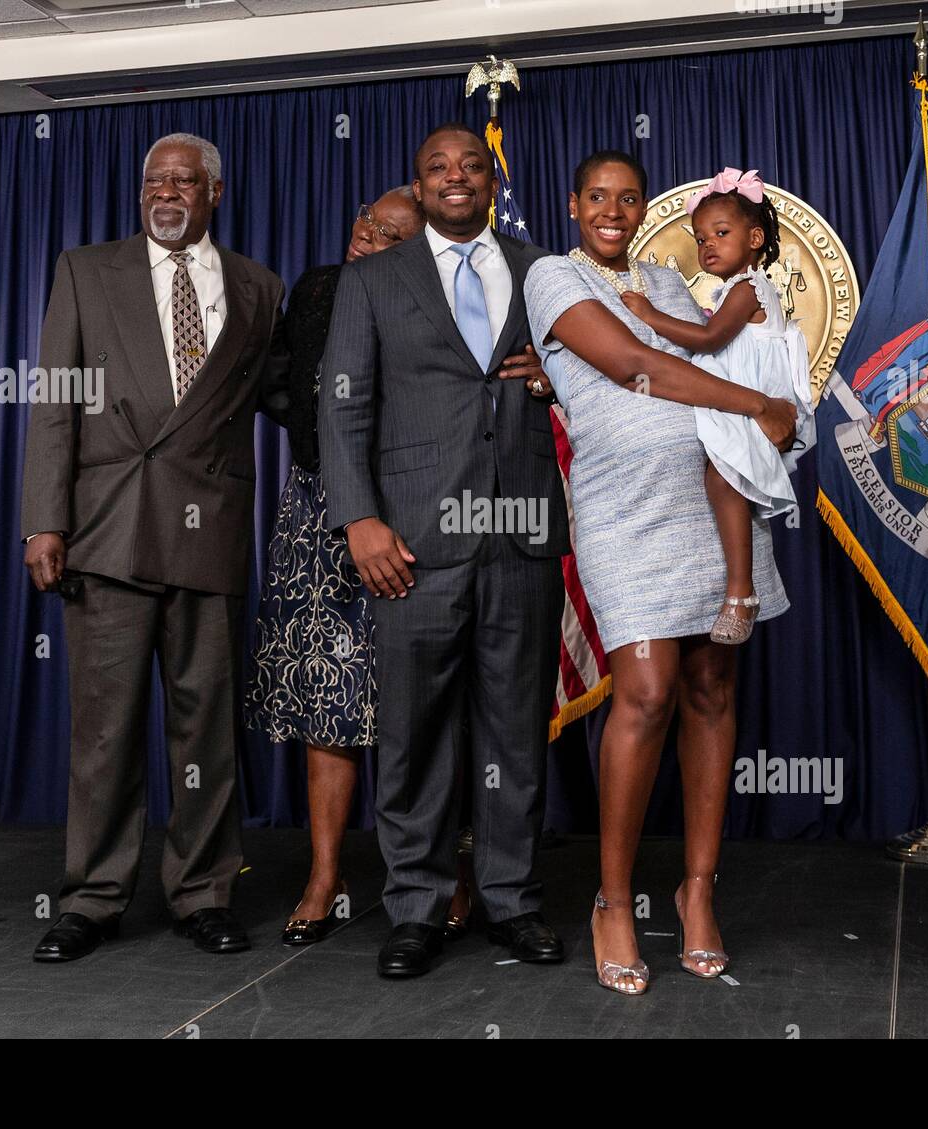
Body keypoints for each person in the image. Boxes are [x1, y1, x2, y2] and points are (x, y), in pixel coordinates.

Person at [524, 150, 797, 995]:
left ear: (645, 207)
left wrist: (748, 398)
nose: (613, 209)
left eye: (628, 197)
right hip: (623, 513)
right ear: (574, 205)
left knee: (712, 685)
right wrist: (758, 406)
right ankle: (613, 900)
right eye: (598, 196)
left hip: (716, 506)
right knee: (644, 691)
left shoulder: (672, 282)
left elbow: (709, 362)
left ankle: (698, 889)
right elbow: (631, 367)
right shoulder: (548, 277)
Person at [21, 132, 290, 961]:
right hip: (106, 528)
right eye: (153, 180)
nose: (166, 192)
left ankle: (203, 891)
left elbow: (282, 394)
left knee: (205, 727)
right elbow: (57, 400)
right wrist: (44, 518)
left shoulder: (259, 287)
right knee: (105, 728)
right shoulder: (84, 269)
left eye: (184, 180)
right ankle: (94, 896)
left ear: (215, 191)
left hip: (208, 531)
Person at [318, 122, 570, 978]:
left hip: (522, 532)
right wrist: (359, 520)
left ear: (492, 178)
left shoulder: (545, 271)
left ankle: (512, 901)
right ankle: (417, 906)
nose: (455, 178)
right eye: (437, 168)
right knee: (415, 732)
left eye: (470, 165)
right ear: (417, 187)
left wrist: (553, 378)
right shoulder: (371, 279)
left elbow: (602, 378)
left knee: (514, 735)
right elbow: (343, 407)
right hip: (413, 543)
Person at [247, 187, 484, 946]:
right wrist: (323, 445)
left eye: (388, 233)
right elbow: (275, 380)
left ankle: (446, 867)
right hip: (320, 514)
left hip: (412, 508)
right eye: (364, 221)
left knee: (430, 697)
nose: (365, 236)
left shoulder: (443, 304)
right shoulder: (320, 287)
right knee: (328, 694)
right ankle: (325, 874)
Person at [619, 167, 815, 644]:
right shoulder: (732, 290)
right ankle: (735, 587)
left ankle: (740, 592)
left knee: (721, 481)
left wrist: (648, 315)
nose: (708, 246)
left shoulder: (747, 289)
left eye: (721, 234)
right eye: (702, 238)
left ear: (755, 237)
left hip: (752, 406)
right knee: (720, 481)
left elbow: (707, 341)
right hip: (738, 404)